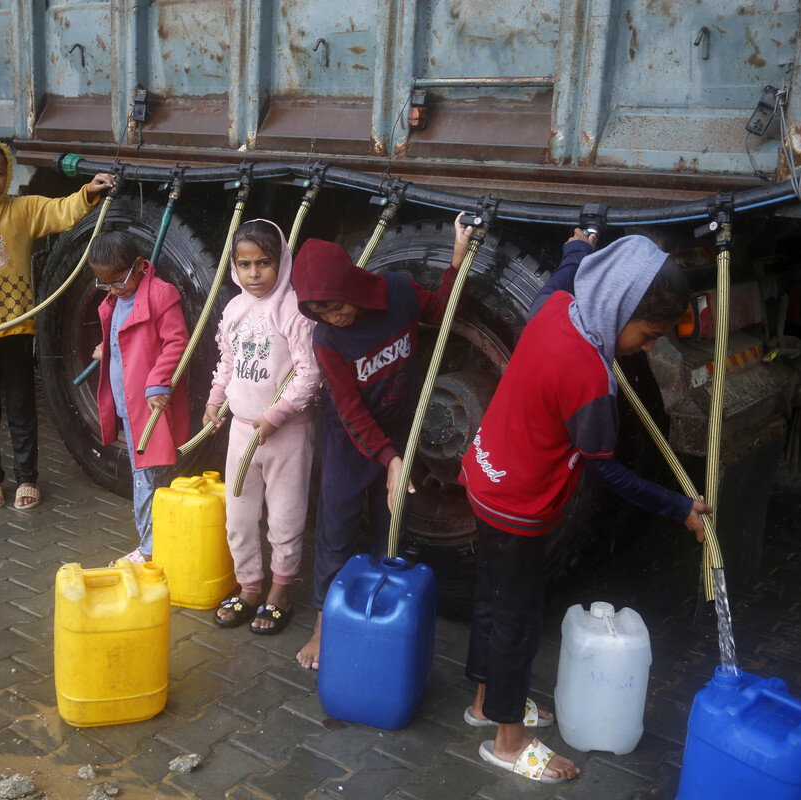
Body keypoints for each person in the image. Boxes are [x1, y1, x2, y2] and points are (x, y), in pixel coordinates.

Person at [458, 231, 711, 784]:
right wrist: (679, 507)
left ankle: (486, 704)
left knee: (493, 599)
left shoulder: (557, 304)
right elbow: (607, 469)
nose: (646, 349)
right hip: (518, 508)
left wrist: (575, 244)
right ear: (619, 305)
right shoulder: (590, 375)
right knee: (518, 624)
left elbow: (569, 268)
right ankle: (508, 741)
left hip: (485, 475)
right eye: (647, 335)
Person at [290, 213, 474, 669]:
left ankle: (377, 614)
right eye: (319, 312)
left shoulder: (396, 291)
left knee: (393, 523)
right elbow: (350, 411)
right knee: (337, 526)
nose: (334, 317)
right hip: (349, 436)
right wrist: (389, 458)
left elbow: (440, 311)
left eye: (335, 306)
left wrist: (455, 261)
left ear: (352, 286)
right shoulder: (327, 338)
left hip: (398, 427)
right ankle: (323, 625)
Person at [0, 138, 116, 510]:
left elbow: (59, 211)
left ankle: (26, 478)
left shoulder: (22, 211)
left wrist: (88, 192)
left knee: (21, 405)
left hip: (16, 329)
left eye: (0, 172)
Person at [202, 220, 321, 633]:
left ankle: (280, 591)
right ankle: (250, 585)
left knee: (286, 519)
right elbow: (229, 362)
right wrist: (216, 399)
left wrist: (277, 415)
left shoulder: (294, 310)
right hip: (242, 430)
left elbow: (310, 374)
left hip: (286, 434)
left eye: (264, 263)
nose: (254, 274)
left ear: (282, 261)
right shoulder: (235, 309)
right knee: (238, 513)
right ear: (234, 266)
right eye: (245, 264)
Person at [89, 230, 190, 562]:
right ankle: (163, 540)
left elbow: (177, 342)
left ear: (138, 266)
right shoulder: (116, 299)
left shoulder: (162, 295)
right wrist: (108, 347)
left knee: (145, 475)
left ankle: (148, 550)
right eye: (105, 285)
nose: (114, 290)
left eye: (118, 281)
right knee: (151, 473)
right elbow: (128, 336)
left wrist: (159, 381)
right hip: (128, 405)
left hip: (150, 407)